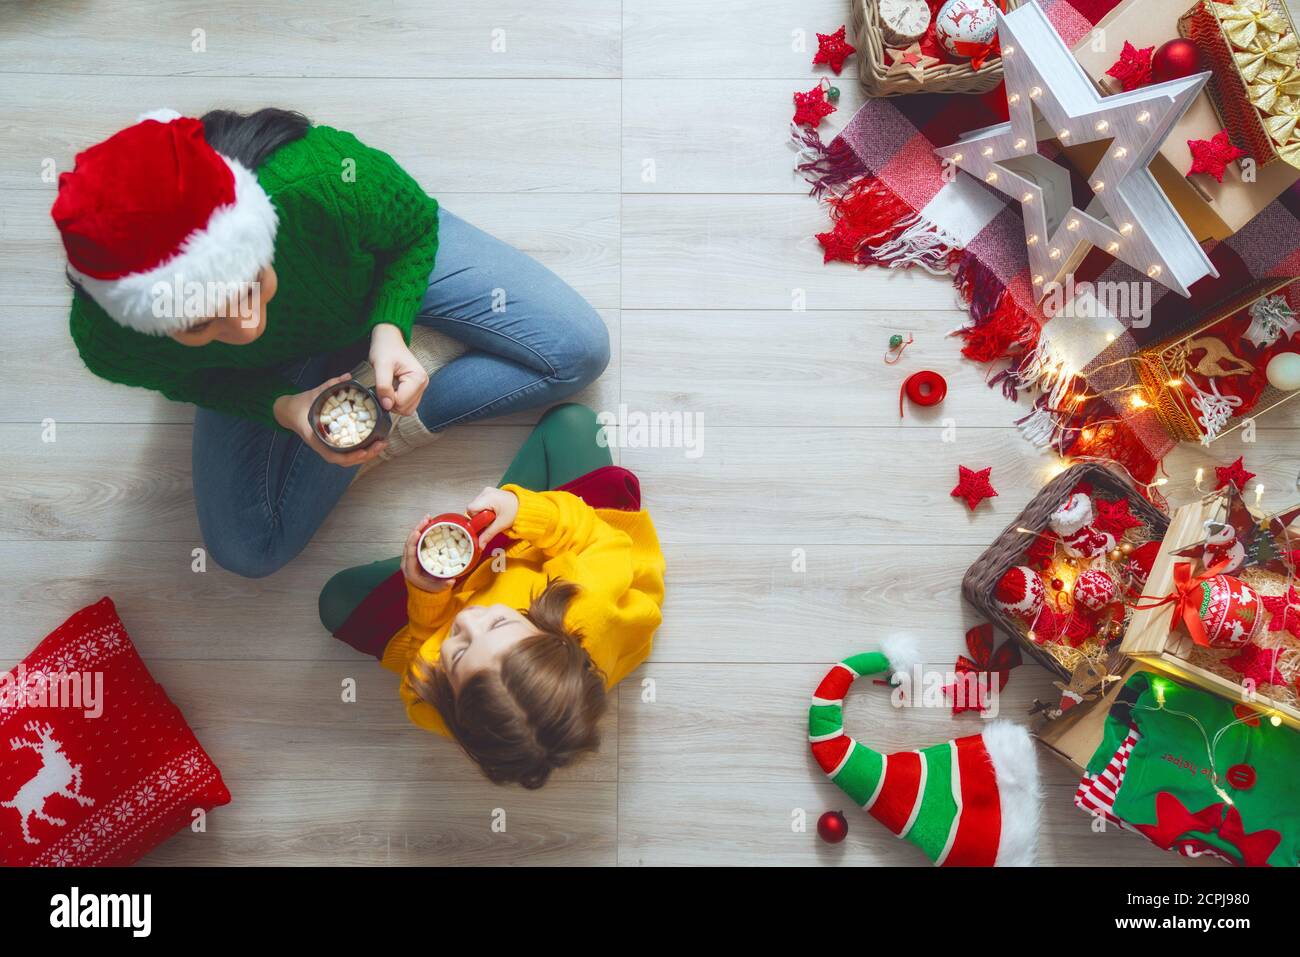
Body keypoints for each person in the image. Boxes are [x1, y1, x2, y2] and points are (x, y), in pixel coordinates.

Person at [52, 108, 609, 578]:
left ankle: (380, 403)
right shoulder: (110, 343)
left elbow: (414, 227)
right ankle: (380, 408)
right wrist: (283, 407)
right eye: (203, 324)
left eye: (250, 286)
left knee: (579, 350)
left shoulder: (317, 179)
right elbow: (193, 381)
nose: (246, 327)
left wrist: (390, 326)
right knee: (248, 551)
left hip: (368, 280)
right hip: (274, 373)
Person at [318, 404, 665, 789]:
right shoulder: (588, 601)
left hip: (476, 580)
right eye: (499, 622)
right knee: (573, 422)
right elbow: (596, 535)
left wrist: (426, 594)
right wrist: (520, 510)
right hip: (554, 546)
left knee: (335, 602)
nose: (467, 620)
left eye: (460, 650)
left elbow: (423, 651)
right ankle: (507, 514)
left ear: (451, 704)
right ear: (553, 632)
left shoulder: (429, 703)